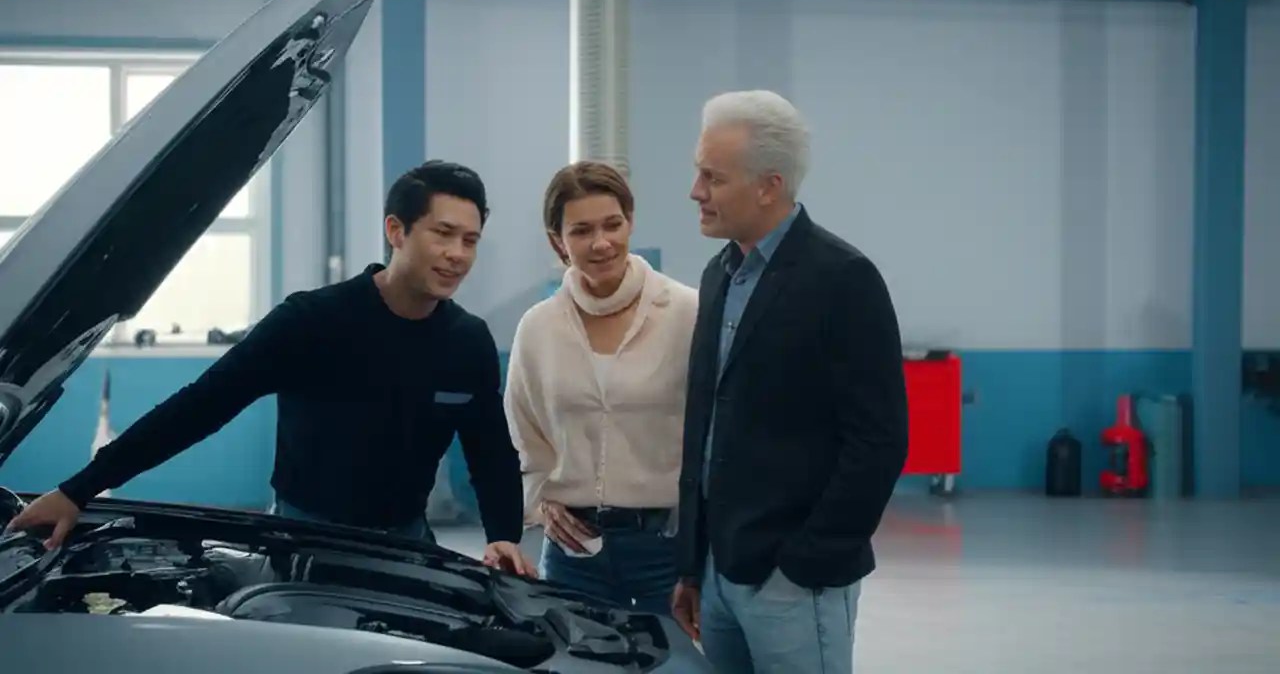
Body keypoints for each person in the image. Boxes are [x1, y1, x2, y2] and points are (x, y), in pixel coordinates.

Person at [5, 160, 537, 578]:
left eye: (470, 240)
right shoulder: (312, 321)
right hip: (302, 536)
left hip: (407, 538)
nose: (457, 255)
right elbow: (199, 407)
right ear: (396, 230)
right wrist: (79, 490)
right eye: (443, 234)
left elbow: (489, 450)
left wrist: (504, 534)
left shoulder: (467, 341)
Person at [669, 91, 909, 673]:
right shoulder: (719, 273)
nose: (695, 192)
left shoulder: (843, 280)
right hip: (718, 572)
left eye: (712, 178)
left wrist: (808, 562)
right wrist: (691, 563)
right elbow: (706, 422)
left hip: (794, 582)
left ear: (769, 186)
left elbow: (879, 441)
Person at [503, 161, 698, 614]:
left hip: (667, 547)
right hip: (574, 552)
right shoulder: (539, 327)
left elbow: (713, 429)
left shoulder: (687, 312)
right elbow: (522, 431)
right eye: (582, 230)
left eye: (613, 224)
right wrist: (540, 501)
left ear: (630, 222)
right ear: (558, 241)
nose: (601, 243)